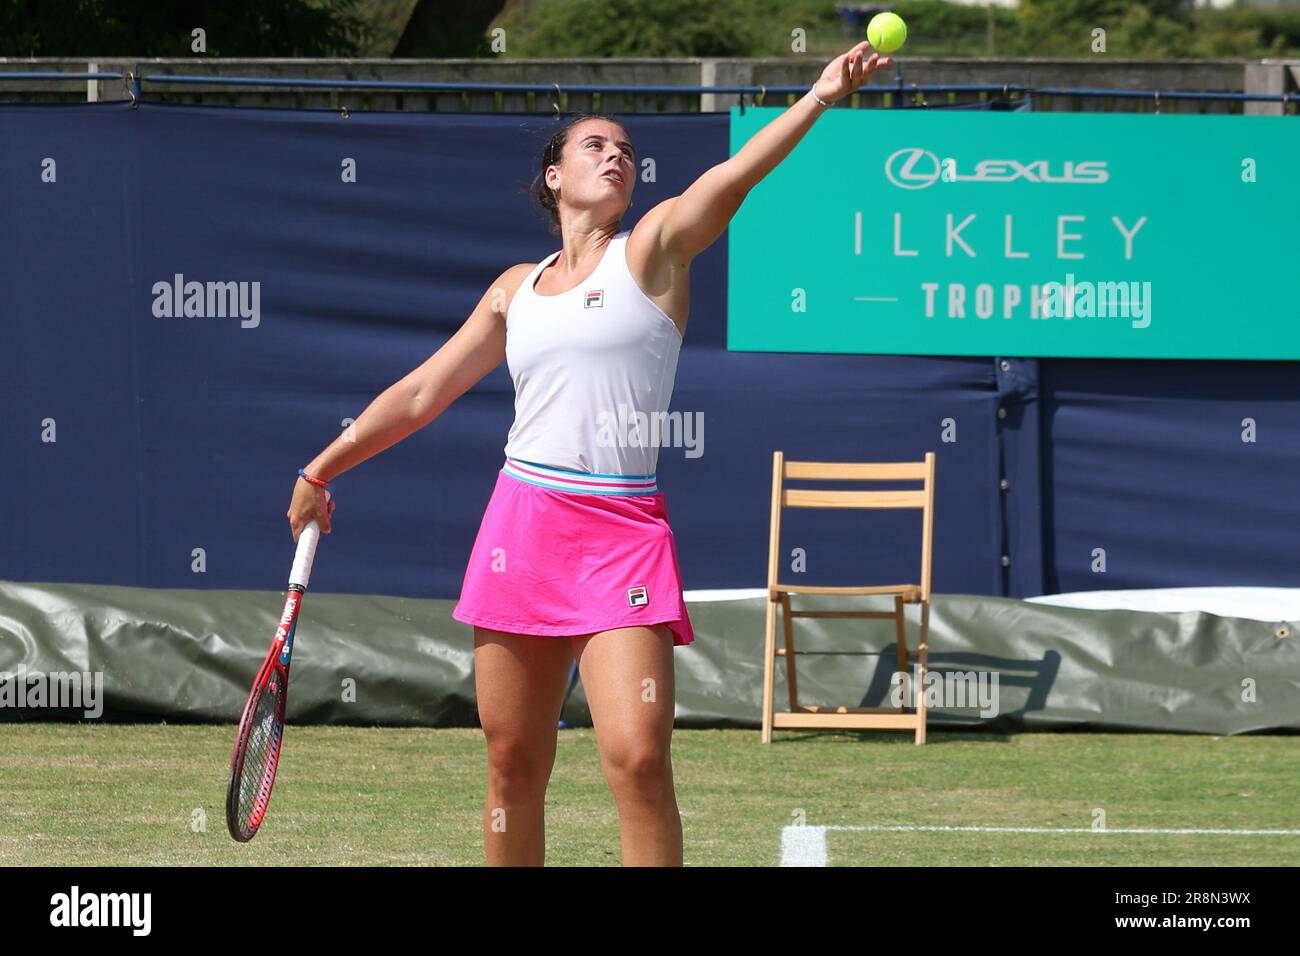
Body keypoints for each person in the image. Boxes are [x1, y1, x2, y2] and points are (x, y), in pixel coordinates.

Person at [286, 42, 893, 866]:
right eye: (595, 146)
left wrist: (819, 96)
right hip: (523, 531)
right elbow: (424, 393)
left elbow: (736, 178)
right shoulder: (513, 289)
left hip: (622, 534)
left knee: (639, 759)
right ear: (553, 176)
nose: (617, 157)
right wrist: (321, 468)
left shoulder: (652, 249)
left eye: (628, 152)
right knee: (511, 765)